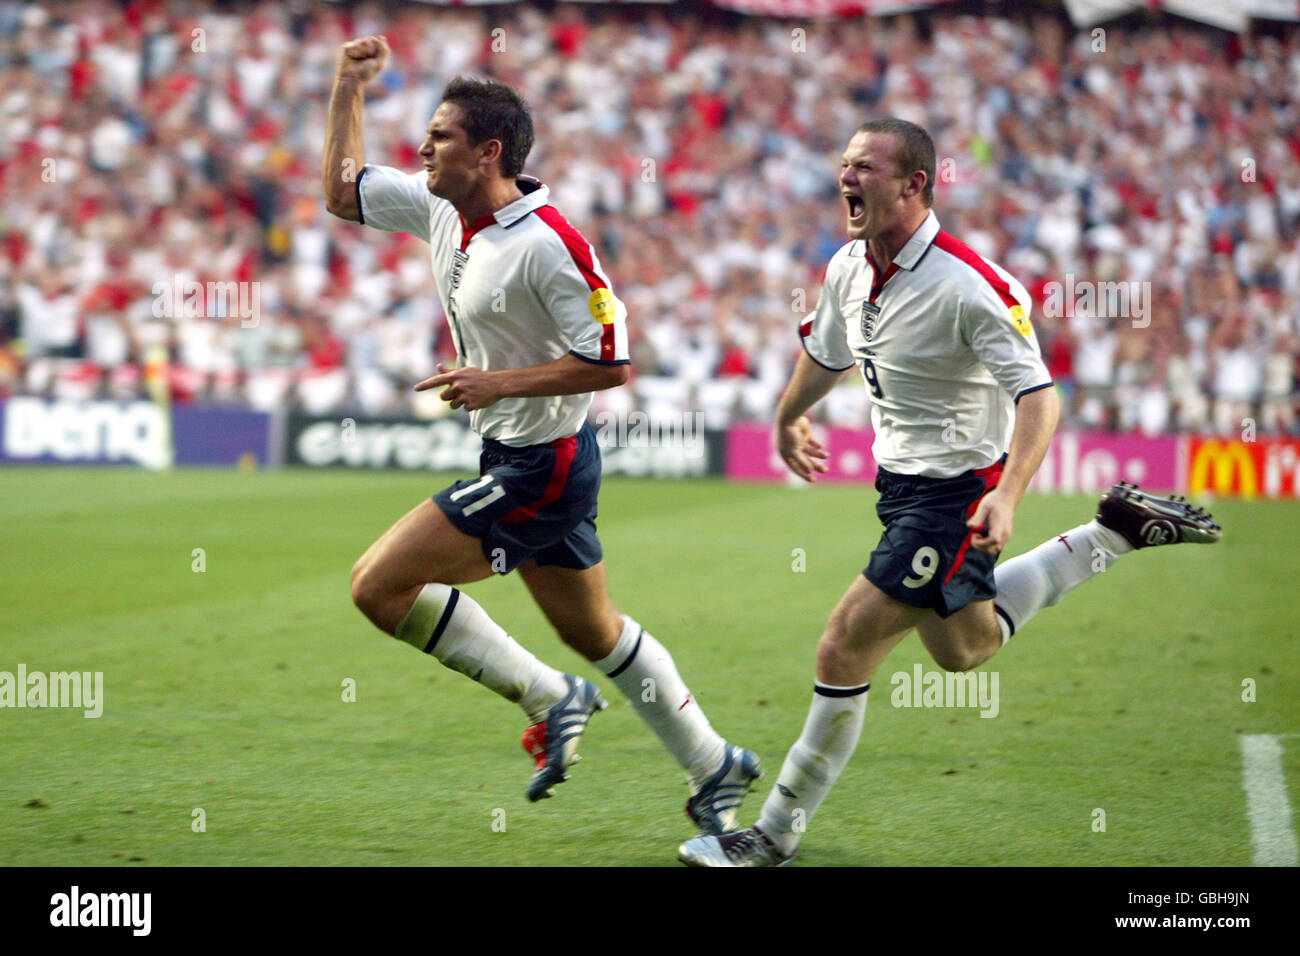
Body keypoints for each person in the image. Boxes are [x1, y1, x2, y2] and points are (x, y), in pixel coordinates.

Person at [678, 119, 1221, 866]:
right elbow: (825, 353)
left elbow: (1039, 396)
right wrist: (785, 416)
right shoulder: (847, 267)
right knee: (964, 650)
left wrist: (1008, 496)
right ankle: (1112, 533)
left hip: (955, 496)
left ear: (913, 184)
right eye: (843, 162)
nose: (846, 176)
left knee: (844, 643)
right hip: (901, 490)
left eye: (864, 165)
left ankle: (772, 833)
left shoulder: (970, 284)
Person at [323, 36, 760, 833]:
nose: (423, 147)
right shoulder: (442, 208)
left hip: (542, 467)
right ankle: (714, 764)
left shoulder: (551, 245)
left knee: (376, 585)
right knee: (596, 630)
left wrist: (498, 383)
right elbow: (343, 193)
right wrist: (347, 87)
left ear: (488, 151)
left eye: (441, 136)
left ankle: (550, 696)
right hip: (524, 455)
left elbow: (612, 361)